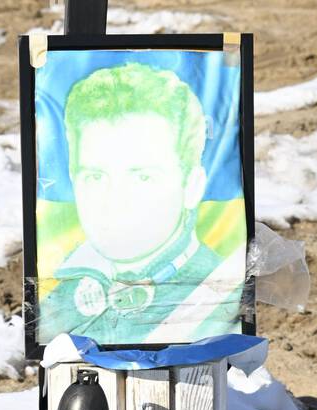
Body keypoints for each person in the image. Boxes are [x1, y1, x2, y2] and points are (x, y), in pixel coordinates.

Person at [39, 61, 244, 344]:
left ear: (192, 186)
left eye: (143, 177)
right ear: (73, 180)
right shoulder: (57, 302)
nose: (114, 201)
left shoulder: (221, 297)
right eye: (95, 176)